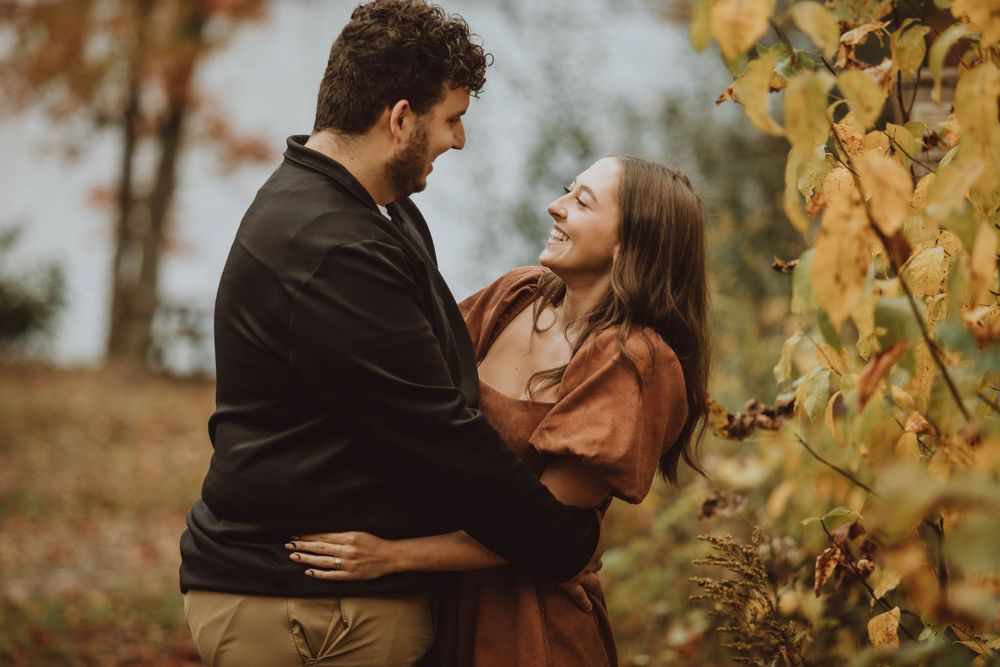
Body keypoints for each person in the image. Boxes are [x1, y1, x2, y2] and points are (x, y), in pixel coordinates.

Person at [178, 2, 604, 665]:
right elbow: (436, 436)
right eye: (452, 119)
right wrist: (562, 538)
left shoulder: (374, 213)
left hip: (322, 593)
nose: (459, 140)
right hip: (304, 603)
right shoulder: (330, 246)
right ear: (400, 117)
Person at [285, 154, 712, 666]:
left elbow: (541, 530)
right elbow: (411, 401)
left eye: (582, 201)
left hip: (525, 625)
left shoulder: (630, 358)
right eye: (566, 189)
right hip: (431, 602)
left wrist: (390, 556)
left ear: (629, 242)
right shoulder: (515, 295)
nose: (555, 207)